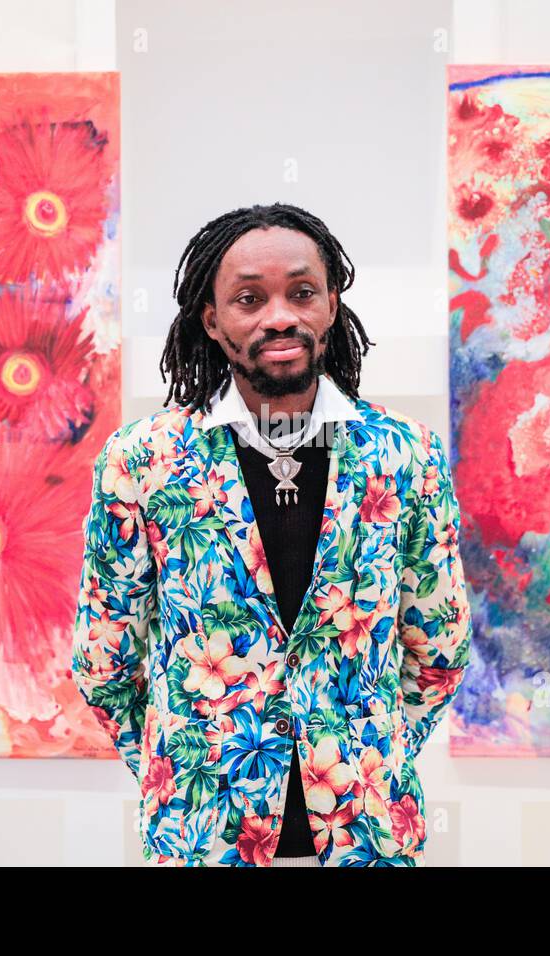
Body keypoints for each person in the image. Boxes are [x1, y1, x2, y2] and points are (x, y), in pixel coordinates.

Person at [71, 202, 471, 866]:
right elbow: (103, 663)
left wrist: (371, 750)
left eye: (302, 292)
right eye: (249, 298)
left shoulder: (408, 455)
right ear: (212, 318)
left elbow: (441, 650)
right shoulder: (141, 461)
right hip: (200, 838)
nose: (279, 315)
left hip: (365, 835)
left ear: (332, 305)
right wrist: (181, 767)